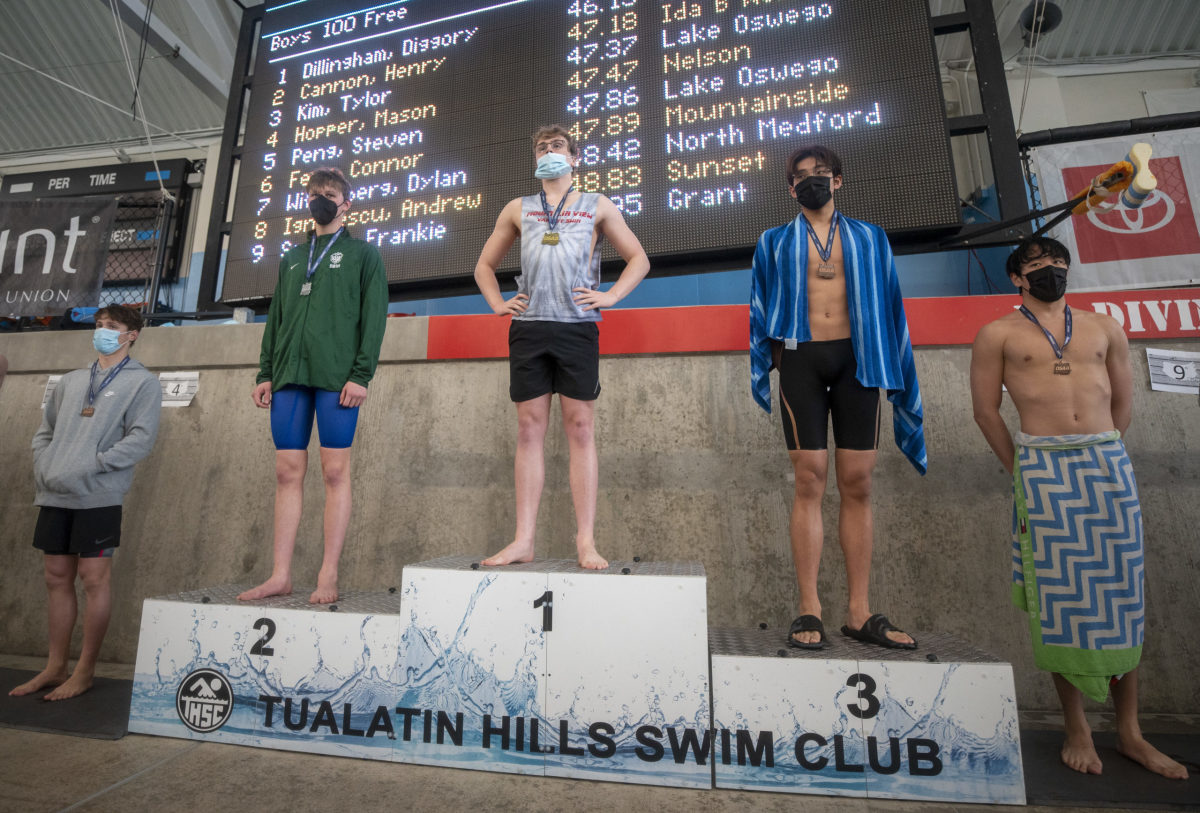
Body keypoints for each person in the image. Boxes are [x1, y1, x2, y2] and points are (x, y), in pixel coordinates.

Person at [970, 236, 1186, 779]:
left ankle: (1131, 732)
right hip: (1042, 469)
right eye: (1038, 265)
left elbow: (1122, 405)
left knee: (1121, 597)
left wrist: (1100, 450)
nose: (1051, 271)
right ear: (1018, 277)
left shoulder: (1104, 328)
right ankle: (1077, 728)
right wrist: (1021, 468)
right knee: (1061, 602)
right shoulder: (997, 333)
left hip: (1105, 463)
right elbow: (985, 411)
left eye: (1058, 263)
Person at [749, 145, 926, 650]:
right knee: (810, 479)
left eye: (820, 175)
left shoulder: (870, 237)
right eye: (801, 177)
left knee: (858, 481)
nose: (811, 182)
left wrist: (896, 366)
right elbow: (760, 307)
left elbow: (890, 303)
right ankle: (809, 607)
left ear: (838, 181)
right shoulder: (774, 240)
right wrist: (781, 362)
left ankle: (858, 611)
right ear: (790, 189)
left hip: (860, 360)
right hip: (802, 360)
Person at [473, 124, 650, 569]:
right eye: (540, 148)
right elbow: (484, 265)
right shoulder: (519, 208)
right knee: (529, 428)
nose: (547, 152)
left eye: (556, 147)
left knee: (580, 428)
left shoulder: (597, 205)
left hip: (577, 327)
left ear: (574, 158)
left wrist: (609, 297)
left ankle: (585, 542)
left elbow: (639, 259)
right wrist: (497, 303)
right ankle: (523, 540)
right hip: (529, 327)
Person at [239, 167, 387, 604]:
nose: (320, 199)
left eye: (329, 194)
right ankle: (280, 574)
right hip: (288, 377)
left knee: (335, 472)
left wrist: (361, 375)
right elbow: (277, 320)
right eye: (315, 194)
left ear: (346, 204)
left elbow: (373, 320)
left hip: (336, 379)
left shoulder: (364, 255)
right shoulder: (289, 259)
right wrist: (265, 371)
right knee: (287, 472)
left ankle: (328, 574)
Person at [11, 305, 161, 700]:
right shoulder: (72, 380)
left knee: (93, 581)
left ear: (132, 335)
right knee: (56, 578)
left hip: (98, 496)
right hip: (54, 491)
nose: (102, 331)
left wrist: (93, 465)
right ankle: (54, 667)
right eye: (98, 325)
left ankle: (85, 671)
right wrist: (46, 465)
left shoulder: (141, 382)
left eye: (112, 327)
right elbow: (44, 433)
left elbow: (141, 439)